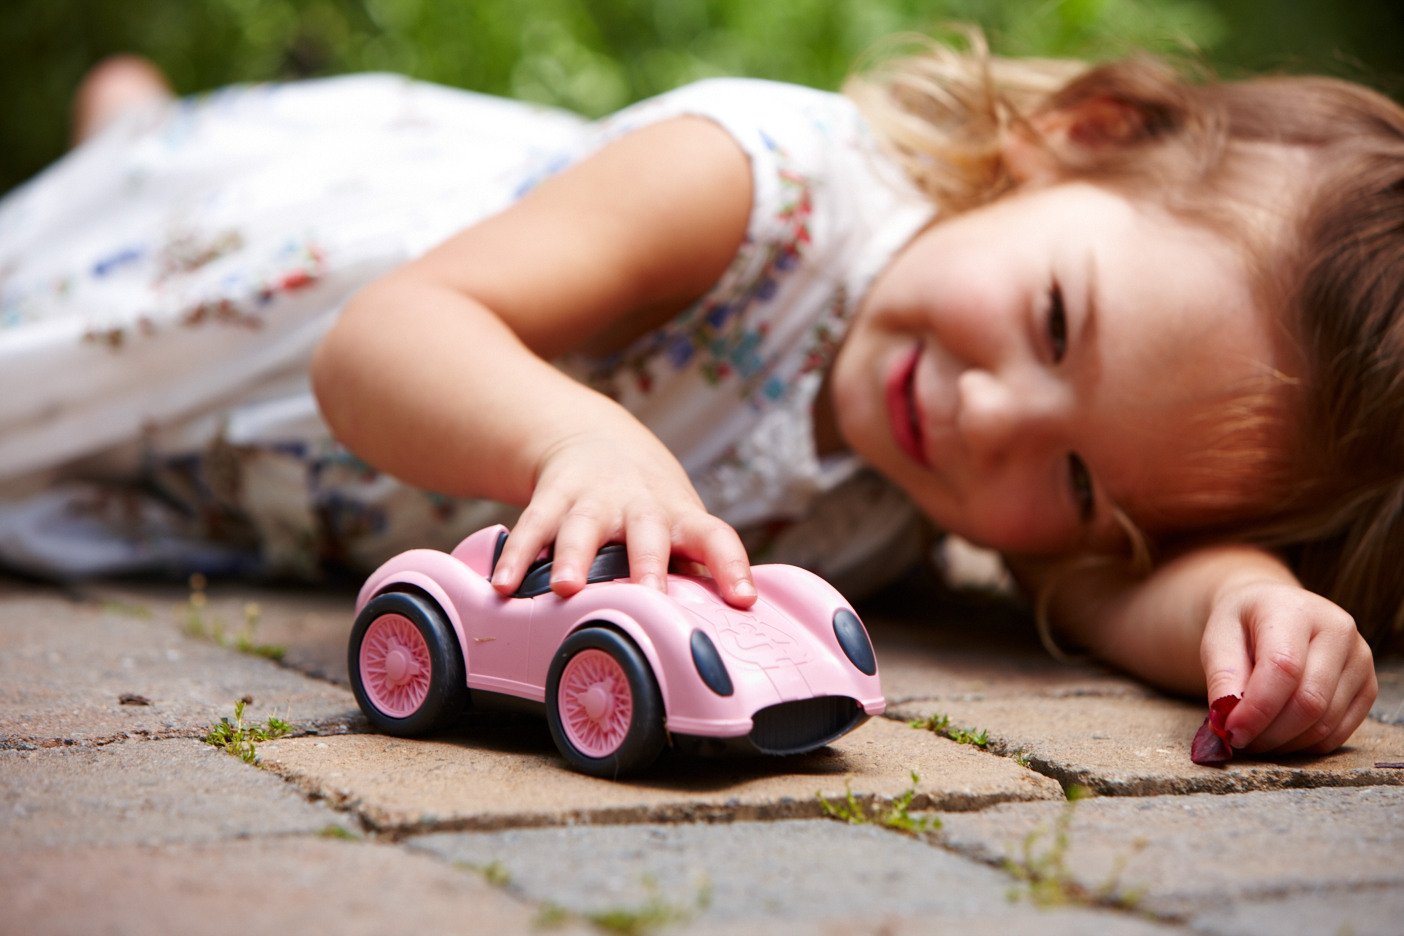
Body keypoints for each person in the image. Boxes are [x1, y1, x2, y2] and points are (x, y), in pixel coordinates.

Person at [1, 35, 1397, 759]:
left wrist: (1230, 606)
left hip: (251, 495)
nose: (992, 416)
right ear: (1075, 140)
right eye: (1051, 320)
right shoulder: (755, 185)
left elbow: (1092, 591)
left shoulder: (964, 470)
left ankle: (138, 115)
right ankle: (138, 129)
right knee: (126, 211)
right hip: (273, 269)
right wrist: (589, 437)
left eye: (1087, 480)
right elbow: (380, 343)